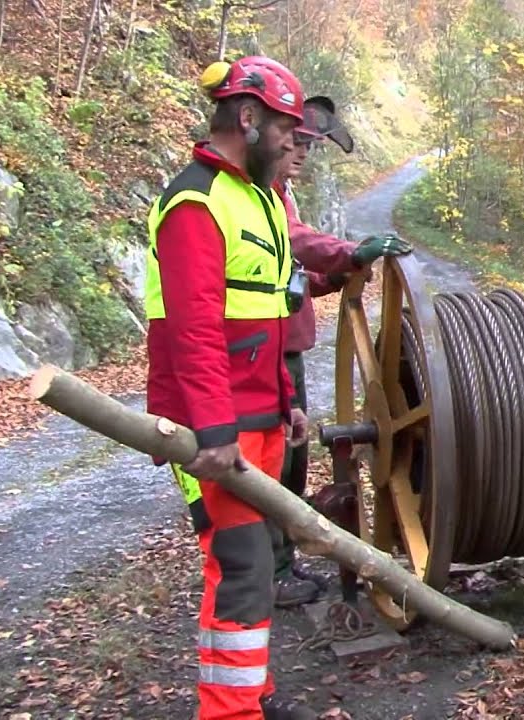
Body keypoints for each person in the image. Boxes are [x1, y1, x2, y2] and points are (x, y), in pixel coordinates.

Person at [144, 55, 318, 720]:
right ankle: (229, 713)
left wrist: (286, 400)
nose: (292, 143)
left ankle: (252, 696)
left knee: (259, 570)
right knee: (240, 568)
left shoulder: (260, 198)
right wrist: (212, 433)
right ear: (247, 118)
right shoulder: (196, 200)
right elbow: (192, 330)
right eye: (284, 129)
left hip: (261, 417)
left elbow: (268, 315)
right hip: (215, 429)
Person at [269, 95, 411, 607]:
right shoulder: (258, 194)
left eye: (311, 144)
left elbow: (289, 276)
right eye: (298, 142)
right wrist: (349, 251)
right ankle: (271, 571)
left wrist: (333, 277)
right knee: (275, 459)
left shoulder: (279, 191)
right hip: (264, 349)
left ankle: (279, 561)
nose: (303, 152)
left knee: (291, 460)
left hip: (283, 344)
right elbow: (292, 239)